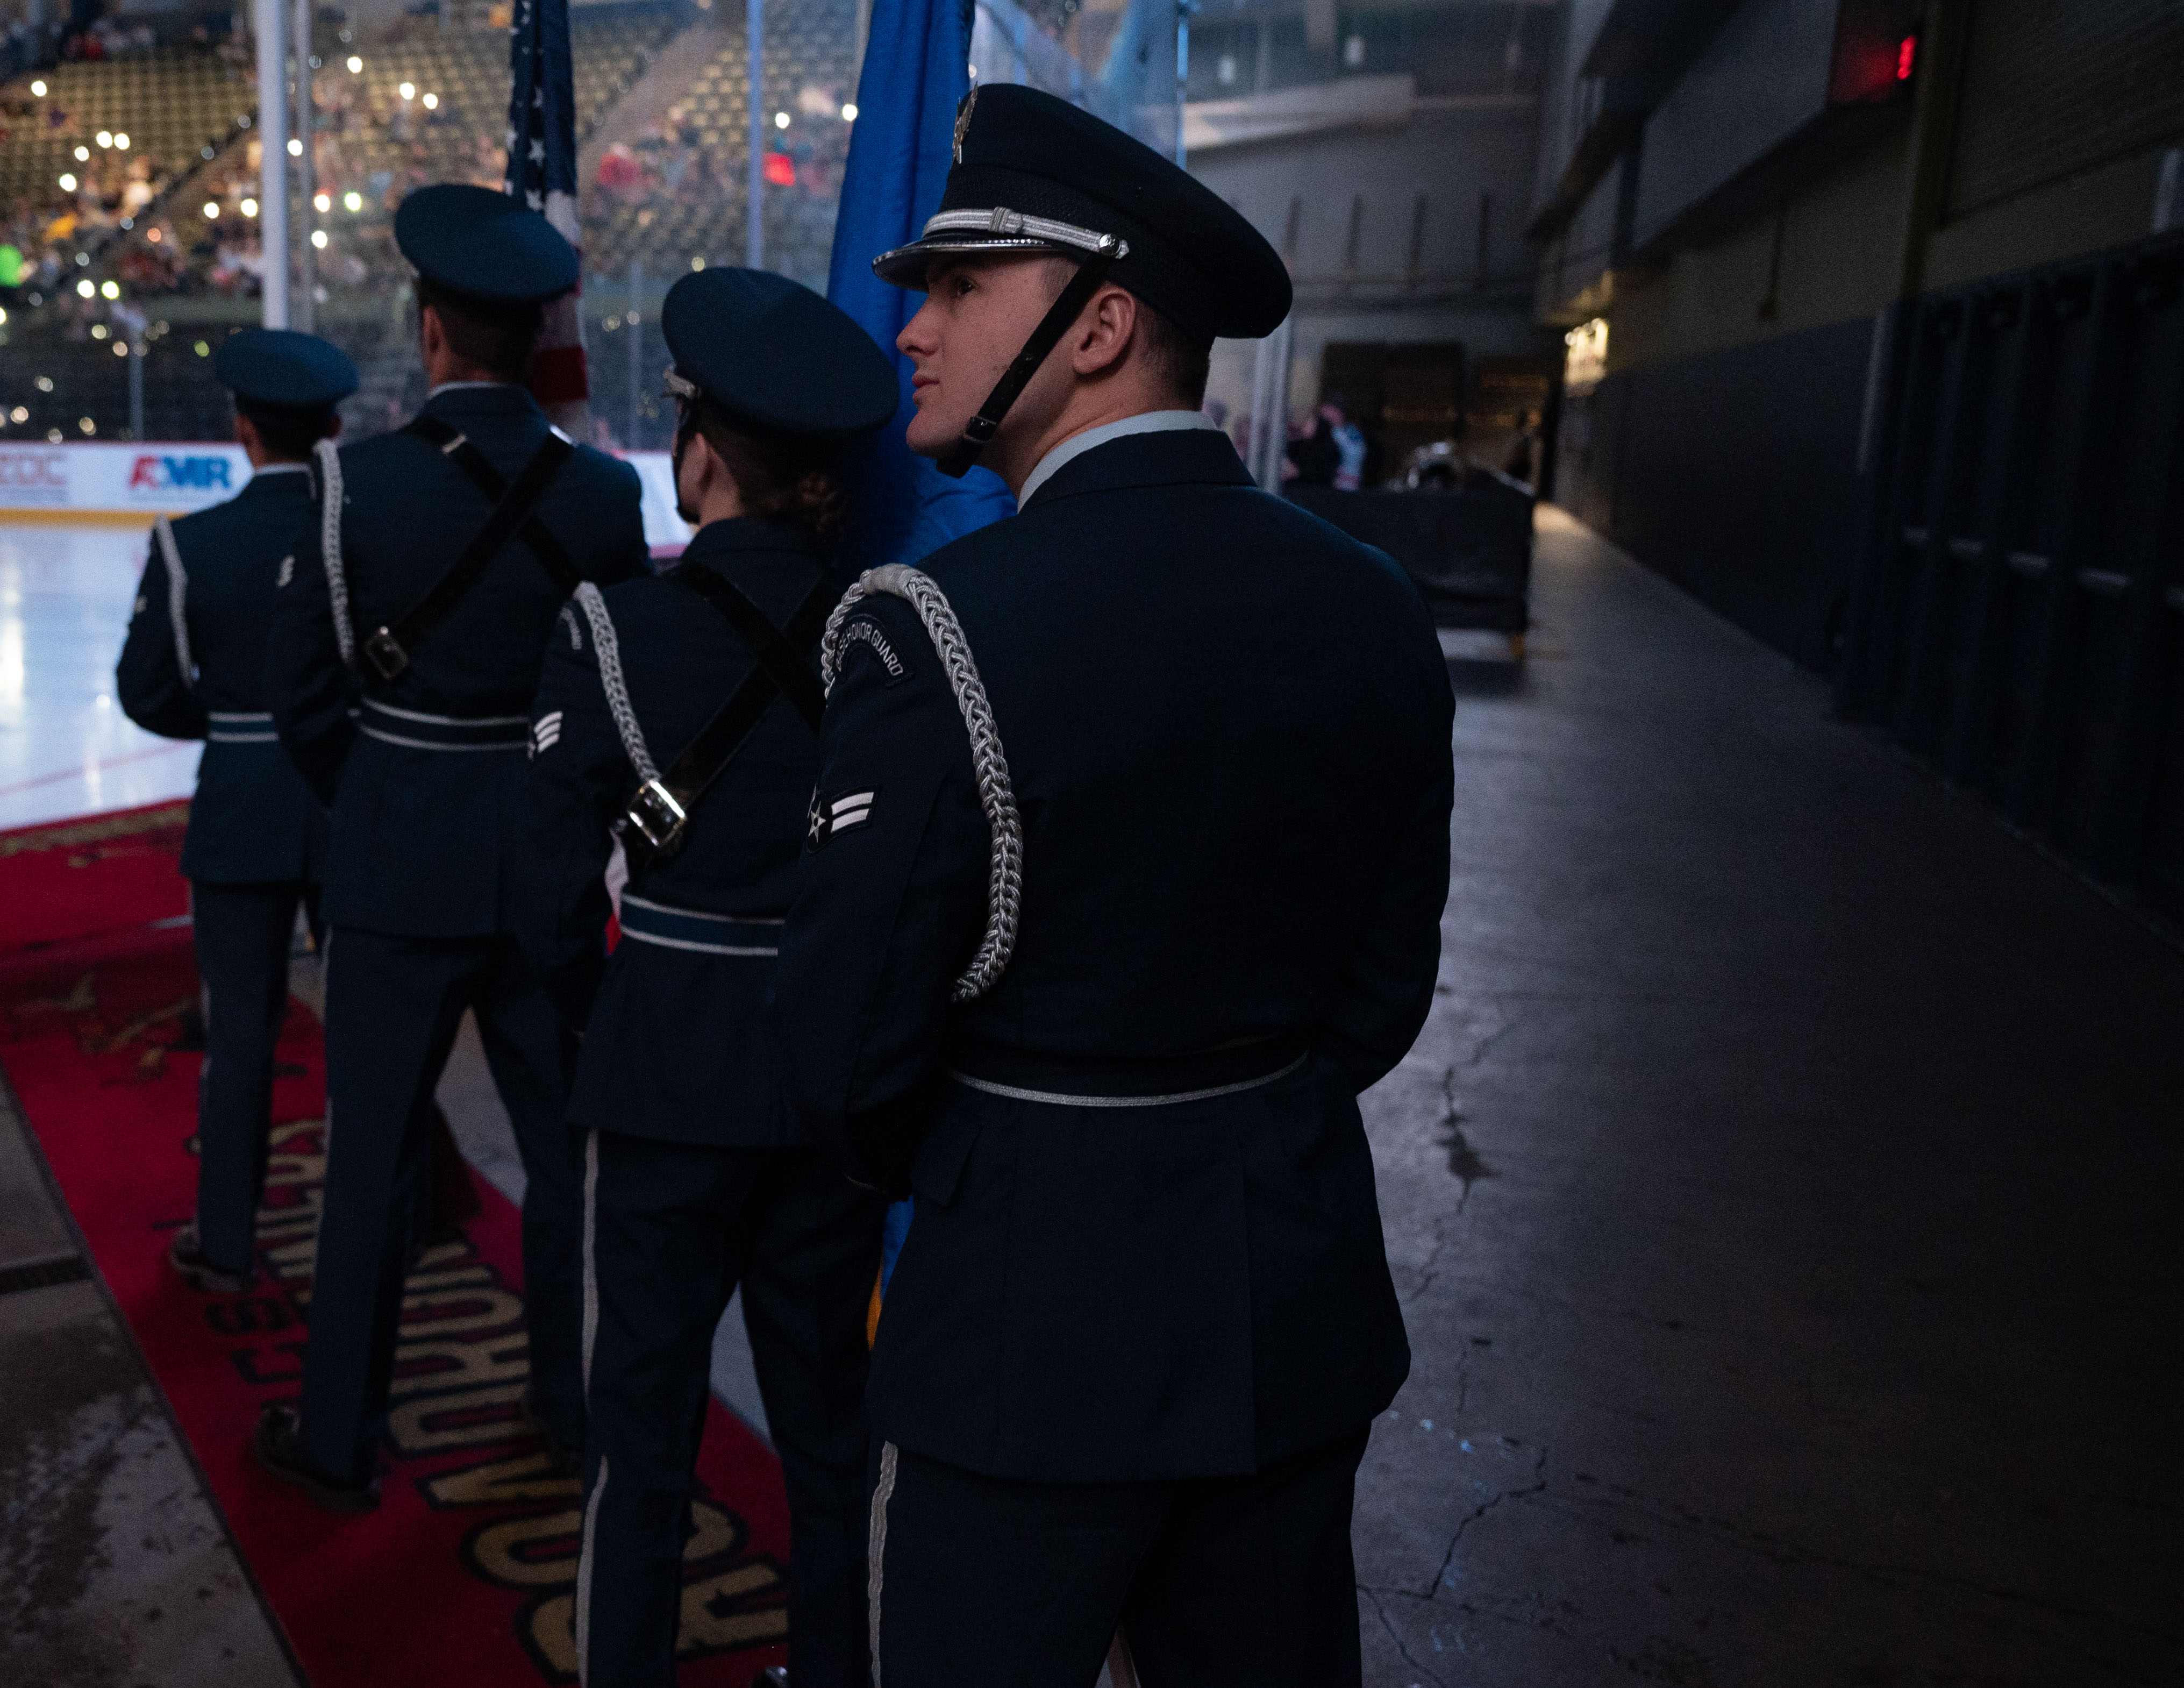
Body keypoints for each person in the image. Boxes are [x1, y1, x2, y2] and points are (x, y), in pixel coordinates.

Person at [769, 83, 1456, 1687]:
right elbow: (1379, 997)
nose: (912, 330)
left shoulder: (937, 625)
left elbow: (839, 1061)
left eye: (959, 286)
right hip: (1282, 1299)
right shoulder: (1369, 601)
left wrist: (1016, 1158)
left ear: (1098, 326)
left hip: (1026, 1334)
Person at [516, 268, 895, 1688]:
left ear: (702, 454)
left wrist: (603, 1024)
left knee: (640, 1439)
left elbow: (545, 897)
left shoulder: (613, 629)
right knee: (832, 1436)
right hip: (831, 1083)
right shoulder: (891, 637)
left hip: (664, 1069)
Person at [258, 183, 651, 1513]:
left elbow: (305, 699)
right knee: (563, 1163)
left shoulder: (350, 484)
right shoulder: (603, 494)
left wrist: (383, 794)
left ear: (428, 329)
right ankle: (567, 1408)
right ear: (538, 338)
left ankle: (339, 1435)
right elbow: (619, 694)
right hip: (544, 863)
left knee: (370, 1159)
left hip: (395, 858)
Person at [115, 327, 353, 1296]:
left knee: (241, 1036)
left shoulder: (190, 543)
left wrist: (231, 724)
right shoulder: (360, 534)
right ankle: (393, 1220)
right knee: (372, 1034)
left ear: (241, 430)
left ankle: (225, 1242)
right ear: (334, 427)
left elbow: (146, 690)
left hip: (241, 805)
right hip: (348, 800)